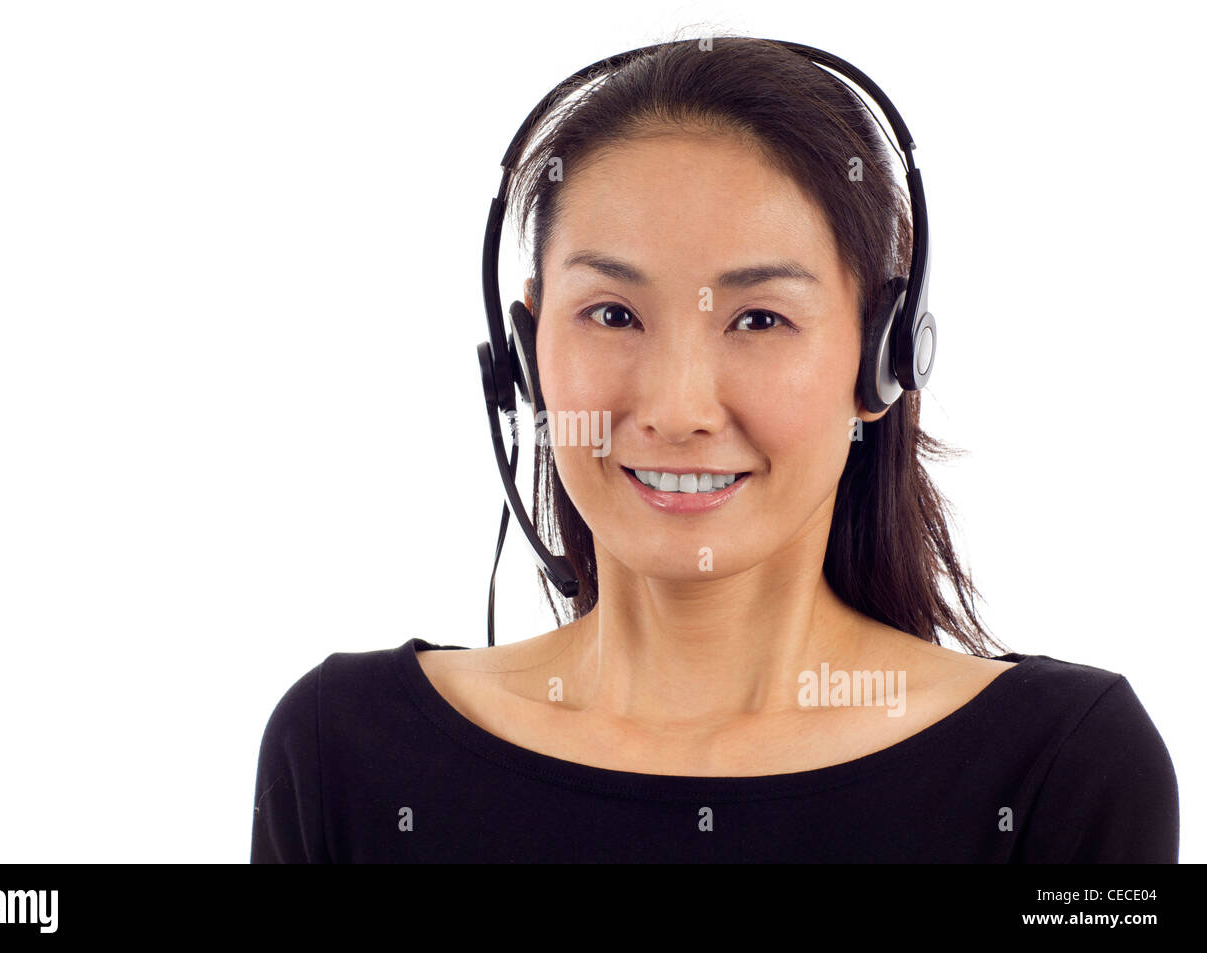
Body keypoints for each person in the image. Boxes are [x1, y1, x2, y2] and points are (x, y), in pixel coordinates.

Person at [249, 35, 1178, 863]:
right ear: (528, 358)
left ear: (883, 359)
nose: (678, 407)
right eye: (612, 314)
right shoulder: (344, 755)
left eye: (760, 318)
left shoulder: (1065, 772)